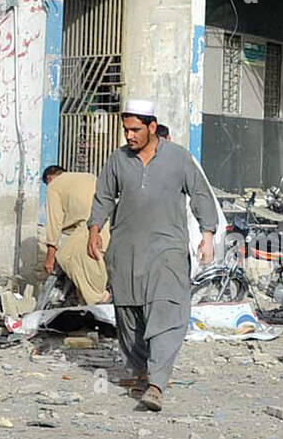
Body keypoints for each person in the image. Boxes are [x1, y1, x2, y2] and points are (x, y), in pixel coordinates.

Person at [87, 98, 216, 413]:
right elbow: (104, 196)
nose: (129, 136)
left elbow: (200, 193)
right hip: (127, 249)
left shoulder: (178, 158)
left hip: (168, 248)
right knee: (130, 315)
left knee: (167, 310)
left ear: (152, 127)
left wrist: (208, 235)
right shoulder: (118, 160)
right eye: (126, 130)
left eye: (135, 129)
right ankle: (141, 370)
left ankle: (157, 383)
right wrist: (94, 230)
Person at [42, 165, 110, 305]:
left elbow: (54, 222)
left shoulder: (54, 186)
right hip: (110, 221)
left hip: (91, 226)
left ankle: (100, 297)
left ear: (50, 178)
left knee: (65, 256)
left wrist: (50, 256)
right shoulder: (88, 176)